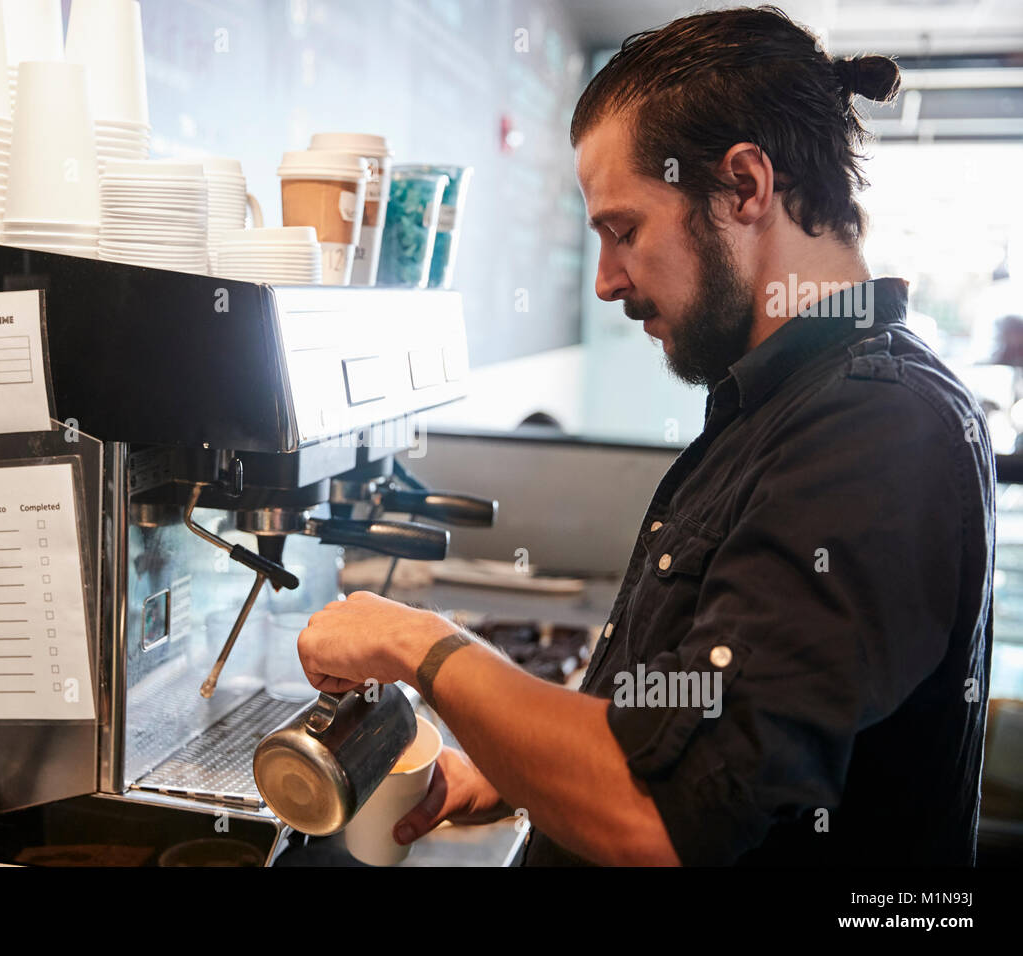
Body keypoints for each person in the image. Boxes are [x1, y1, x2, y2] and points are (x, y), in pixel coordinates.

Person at [295, 6, 996, 866]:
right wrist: (521, 769)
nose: (605, 281)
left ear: (744, 186)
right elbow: (680, 724)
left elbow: (665, 814)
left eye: (624, 230)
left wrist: (414, 641)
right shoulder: (776, 406)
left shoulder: (877, 429)